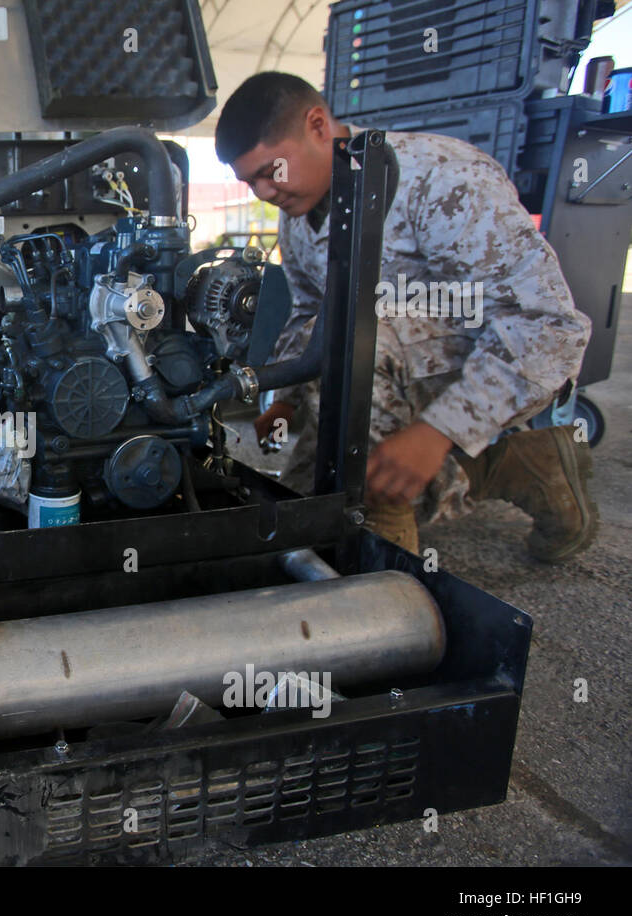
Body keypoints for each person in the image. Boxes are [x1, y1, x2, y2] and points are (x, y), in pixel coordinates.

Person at [213, 72, 596, 560]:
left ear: (317, 125)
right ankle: (523, 465)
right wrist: (286, 398)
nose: (264, 193)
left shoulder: (442, 177)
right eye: (250, 182)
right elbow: (308, 312)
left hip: (503, 361)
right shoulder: (301, 209)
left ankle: (383, 537)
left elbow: (547, 326)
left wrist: (439, 432)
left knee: (362, 344)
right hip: (385, 365)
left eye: (271, 171)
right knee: (305, 505)